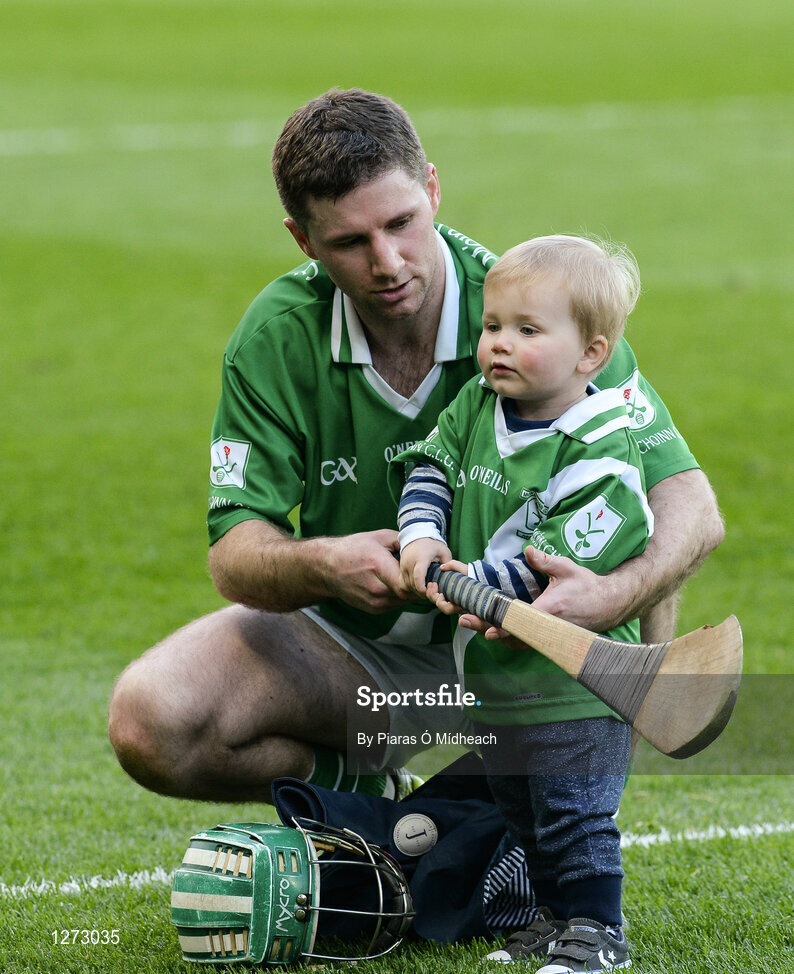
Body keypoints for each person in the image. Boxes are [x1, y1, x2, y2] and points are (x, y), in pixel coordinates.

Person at [107, 88, 723, 807]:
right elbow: (233, 554)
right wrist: (326, 564)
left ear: (432, 187)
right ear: (303, 240)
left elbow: (687, 506)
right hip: (359, 658)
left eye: (403, 222)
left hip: (525, 653)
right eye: (349, 242)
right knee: (152, 721)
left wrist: (606, 602)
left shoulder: (538, 317)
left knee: (508, 873)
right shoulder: (277, 336)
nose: (389, 261)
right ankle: (366, 803)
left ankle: (535, 785)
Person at [393, 235, 649, 970]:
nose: (499, 345)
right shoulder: (480, 403)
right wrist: (419, 539)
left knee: (574, 812)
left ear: (591, 355)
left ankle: (599, 932)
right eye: (492, 326)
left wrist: (470, 575)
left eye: (527, 331)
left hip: (577, 683)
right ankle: (550, 919)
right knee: (521, 809)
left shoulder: (604, 444)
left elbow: (555, 561)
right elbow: (431, 467)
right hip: (496, 675)